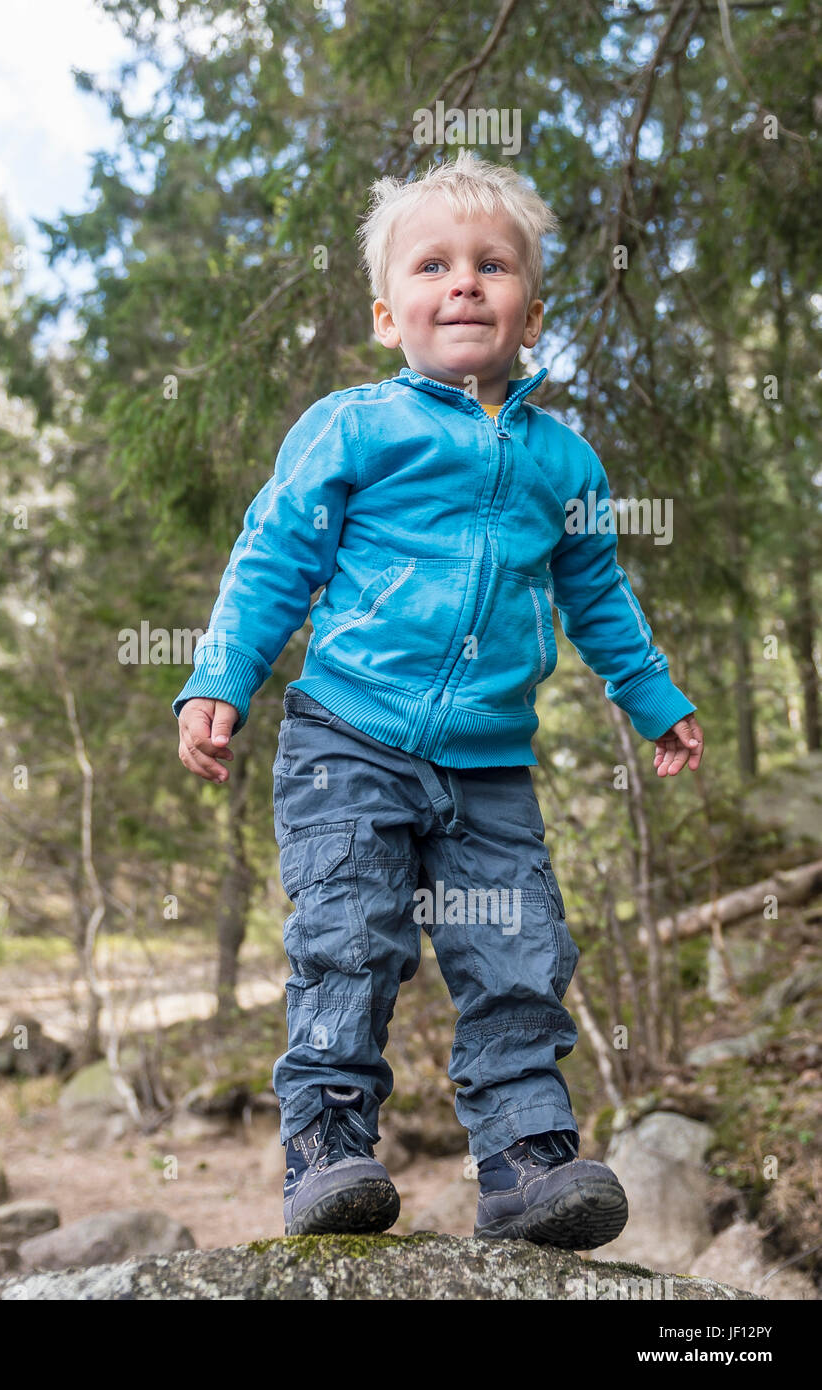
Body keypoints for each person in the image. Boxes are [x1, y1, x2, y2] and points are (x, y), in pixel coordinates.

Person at [172, 150, 704, 1248]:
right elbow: (272, 557)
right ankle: (328, 1146)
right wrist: (221, 675)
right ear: (387, 313)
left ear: (530, 309)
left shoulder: (565, 460)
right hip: (346, 740)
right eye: (432, 265)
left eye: (491, 265)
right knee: (348, 939)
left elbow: (595, 590)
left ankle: (523, 1163)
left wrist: (651, 696)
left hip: (491, 765)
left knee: (516, 954)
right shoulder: (353, 427)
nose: (463, 283)